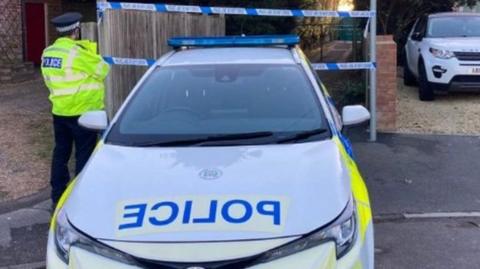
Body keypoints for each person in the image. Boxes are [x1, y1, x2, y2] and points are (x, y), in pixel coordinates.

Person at [40, 12, 110, 208]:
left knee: (60, 154)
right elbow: (103, 70)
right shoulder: (78, 53)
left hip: (60, 112)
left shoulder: (48, 52)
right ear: (76, 30)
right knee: (84, 156)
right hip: (83, 114)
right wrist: (89, 49)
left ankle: (57, 197)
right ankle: (82, 199)